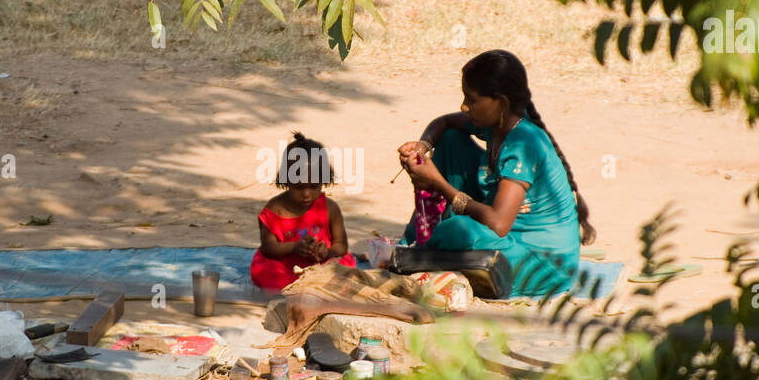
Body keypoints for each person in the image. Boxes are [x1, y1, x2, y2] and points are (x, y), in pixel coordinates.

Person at [398, 49, 596, 298]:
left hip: (541, 266)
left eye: (471, 99)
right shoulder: (496, 123)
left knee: (457, 230)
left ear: (501, 103)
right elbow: (446, 123)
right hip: (505, 237)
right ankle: (415, 244)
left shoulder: (523, 144)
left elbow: (499, 224)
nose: (464, 106)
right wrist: (423, 145)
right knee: (449, 141)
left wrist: (437, 182)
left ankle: (421, 254)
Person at [251, 132, 357, 291]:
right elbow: (268, 248)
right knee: (268, 272)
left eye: (314, 186)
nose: (307, 194)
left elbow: (341, 246)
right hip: (286, 265)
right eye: (299, 187)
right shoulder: (274, 210)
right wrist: (293, 248)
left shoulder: (330, 208)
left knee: (346, 268)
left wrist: (327, 252)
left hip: (321, 265)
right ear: (287, 180)